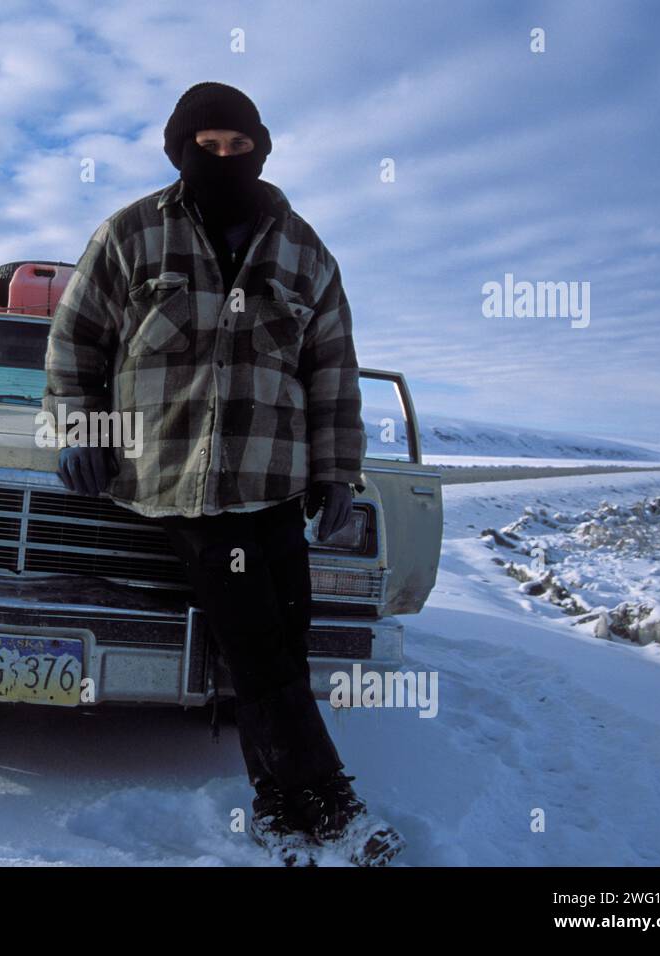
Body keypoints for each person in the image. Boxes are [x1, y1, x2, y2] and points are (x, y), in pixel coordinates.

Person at [42, 81, 402, 866]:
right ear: (181, 148)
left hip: (274, 482)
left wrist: (338, 476)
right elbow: (76, 347)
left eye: (240, 147)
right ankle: (335, 808)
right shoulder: (132, 235)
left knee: (281, 647)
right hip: (177, 481)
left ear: (261, 149)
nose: (225, 158)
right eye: (209, 146)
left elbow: (331, 374)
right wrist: (80, 427)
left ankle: (278, 813)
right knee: (263, 649)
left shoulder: (304, 250)